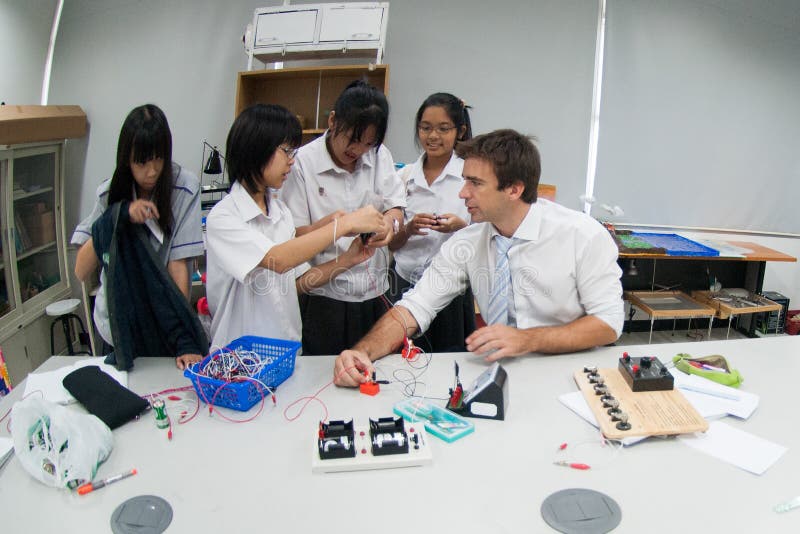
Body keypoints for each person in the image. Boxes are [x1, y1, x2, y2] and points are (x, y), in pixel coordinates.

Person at [333, 129, 624, 386]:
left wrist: (527, 339)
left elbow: (609, 324)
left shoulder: (583, 236)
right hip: (498, 373)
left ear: (514, 189)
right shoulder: (468, 242)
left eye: (475, 183)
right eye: (464, 181)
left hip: (571, 375)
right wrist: (363, 351)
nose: (462, 193)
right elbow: (415, 306)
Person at [205, 104, 384, 349]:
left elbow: (298, 283)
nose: (291, 161)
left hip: (284, 351)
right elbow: (278, 261)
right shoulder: (224, 217)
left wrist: (348, 260)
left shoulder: (280, 213)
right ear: (256, 148)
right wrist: (344, 224)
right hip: (238, 357)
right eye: (286, 151)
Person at [73, 104, 205, 370]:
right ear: (126, 160)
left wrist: (182, 339)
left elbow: (178, 267)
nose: (152, 171)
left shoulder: (184, 190)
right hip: (117, 325)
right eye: (141, 162)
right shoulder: (109, 193)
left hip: (162, 324)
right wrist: (117, 215)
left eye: (159, 159)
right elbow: (81, 269)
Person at [281, 80, 405, 355]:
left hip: (375, 292)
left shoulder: (380, 155)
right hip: (325, 298)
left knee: (375, 376)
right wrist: (337, 227)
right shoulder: (302, 163)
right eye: (352, 139)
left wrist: (389, 225)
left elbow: (396, 207)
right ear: (333, 120)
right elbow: (295, 236)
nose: (358, 151)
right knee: (322, 378)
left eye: (368, 143)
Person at [388, 92, 475, 352]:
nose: (433, 136)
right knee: (404, 362)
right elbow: (391, 244)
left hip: (451, 290)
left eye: (443, 128)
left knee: (449, 363)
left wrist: (461, 227)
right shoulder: (403, 178)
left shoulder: (469, 177)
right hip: (404, 284)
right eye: (426, 128)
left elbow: (488, 238)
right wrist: (409, 228)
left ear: (460, 131)